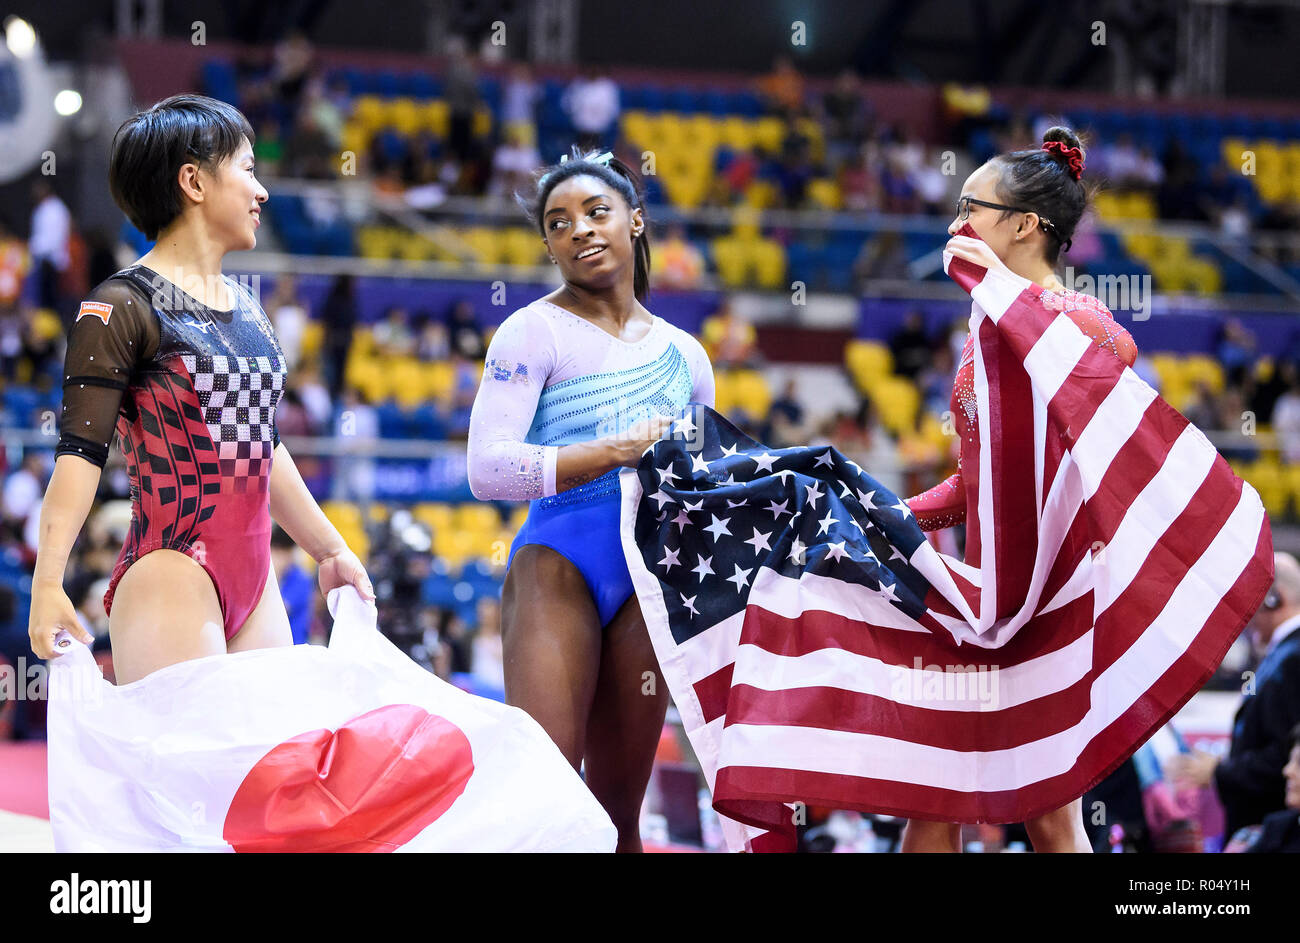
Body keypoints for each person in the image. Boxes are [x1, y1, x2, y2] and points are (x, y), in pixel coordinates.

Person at [27, 94, 373, 685]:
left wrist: (330, 549)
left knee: (266, 772)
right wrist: (48, 582)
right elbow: (79, 455)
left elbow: (261, 445)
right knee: (189, 777)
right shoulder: (120, 304)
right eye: (246, 168)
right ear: (193, 181)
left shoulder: (249, 307)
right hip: (173, 571)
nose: (261, 191)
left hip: (254, 578)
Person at [466, 148, 714, 851]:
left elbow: (696, 487)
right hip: (558, 565)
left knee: (616, 821)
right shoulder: (531, 331)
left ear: (635, 220)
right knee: (548, 803)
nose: (579, 229)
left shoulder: (687, 356)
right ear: (547, 244)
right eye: (559, 221)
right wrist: (614, 450)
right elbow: (488, 469)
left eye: (597, 211)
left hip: (648, 580)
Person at [902, 127, 1136, 852]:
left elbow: (1101, 454)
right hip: (990, 587)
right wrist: (892, 513)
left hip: (1053, 596)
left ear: (1025, 225)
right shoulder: (985, 329)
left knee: (1047, 807)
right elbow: (980, 483)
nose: (955, 224)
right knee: (936, 793)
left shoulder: (1088, 327)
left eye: (972, 206)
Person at [1169, 552, 1300, 839]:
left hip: (1272, 829)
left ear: (1274, 599)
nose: (1245, 615)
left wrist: (1220, 771)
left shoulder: (1294, 657)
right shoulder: (1283, 653)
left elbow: (1285, 753)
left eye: (1250, 598)